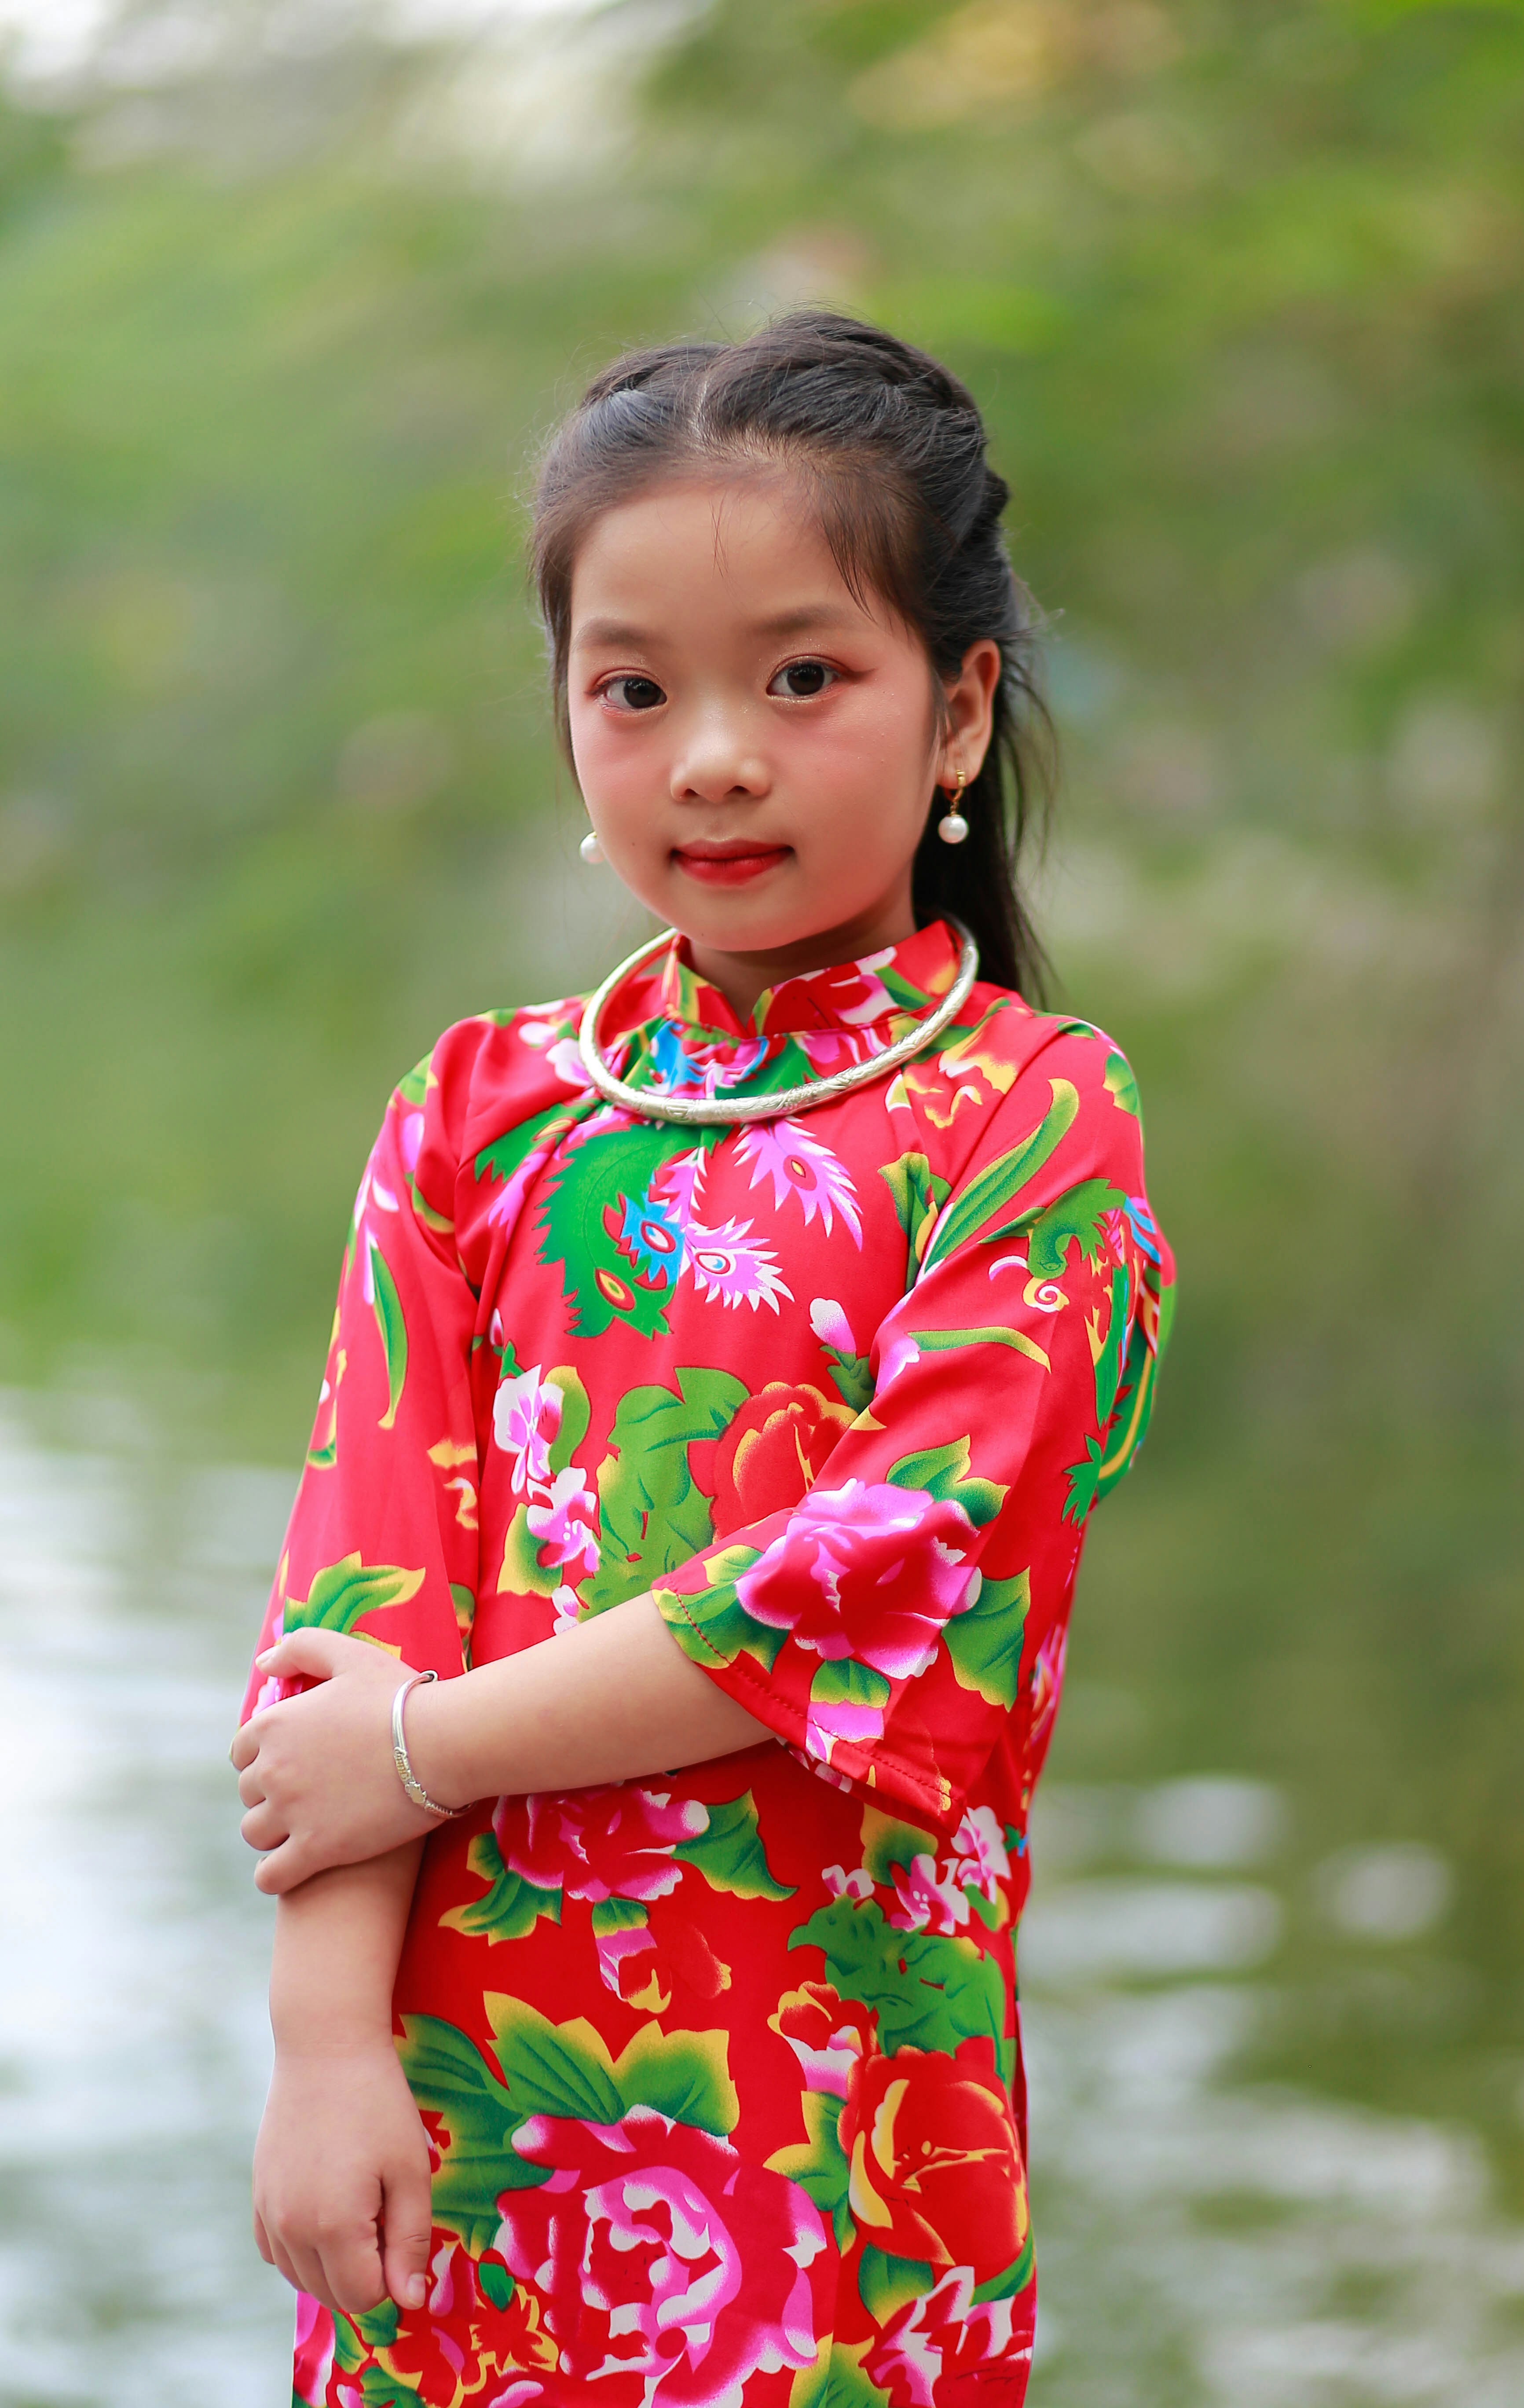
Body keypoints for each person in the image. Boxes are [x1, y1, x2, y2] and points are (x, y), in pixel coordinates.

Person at [230, 311, 1174, 2408]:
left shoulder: (1027, 1121)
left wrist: (428, 1747)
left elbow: (882, 1579)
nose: (714, 755)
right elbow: (344, 1634)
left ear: (961, 715)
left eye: (804, 677)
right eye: (634, 688)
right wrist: (319, 2054)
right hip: (449, 2128)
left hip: (841, 2129)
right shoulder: (475, 1119)